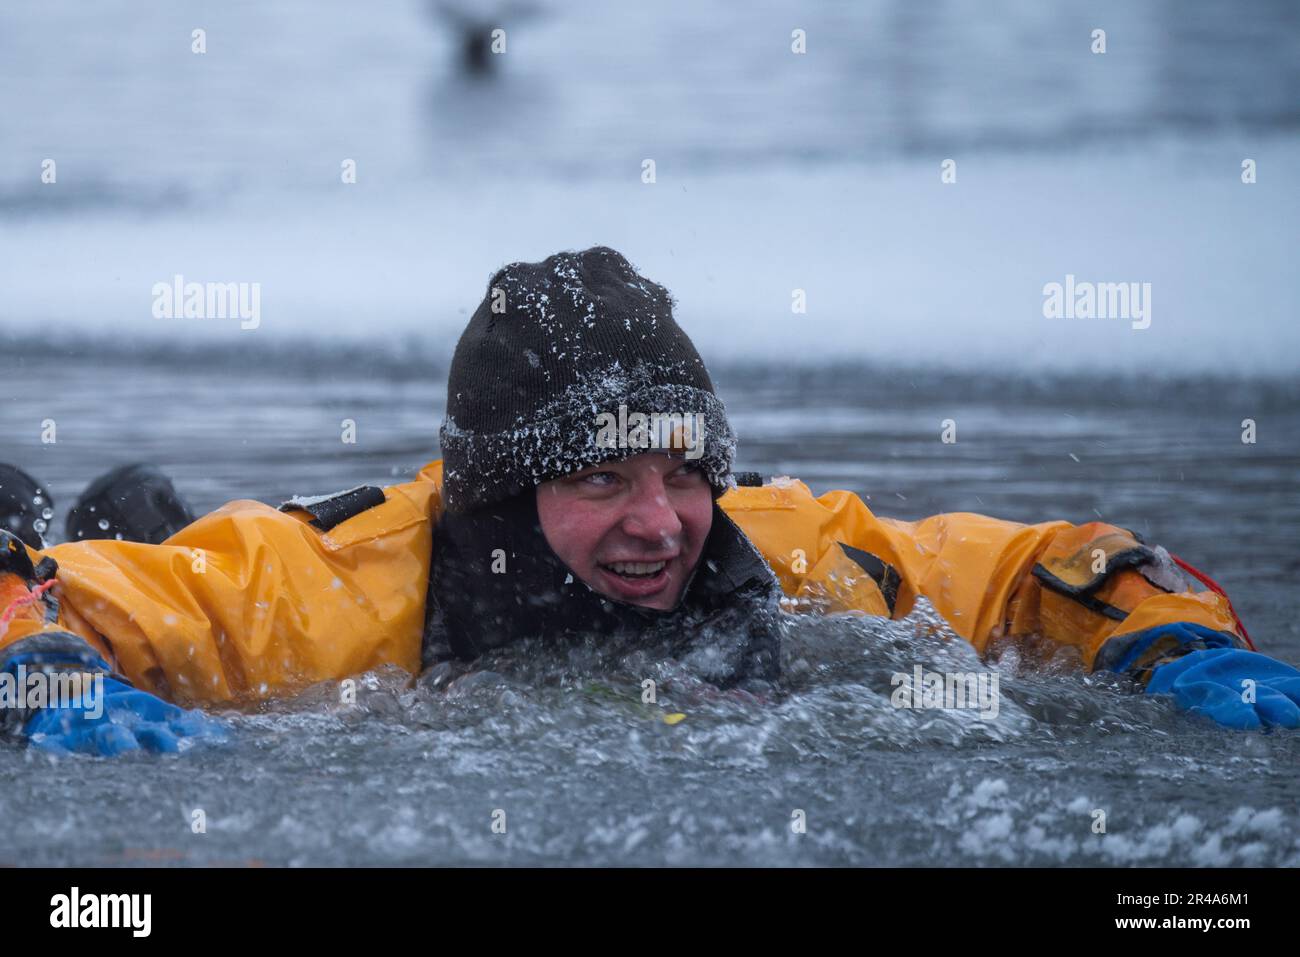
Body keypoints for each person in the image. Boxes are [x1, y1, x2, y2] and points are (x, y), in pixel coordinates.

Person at [1, 247, 1297, 756]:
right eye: (604, 476)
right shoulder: (321, 583)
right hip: (161, 555)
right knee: (88, 537)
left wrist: (1168, 634)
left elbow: (1043, 565)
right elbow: (37, 603)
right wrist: (52, 675)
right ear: (506, 494)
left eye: (684, 471)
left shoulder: (780, 547)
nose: (662, 520)